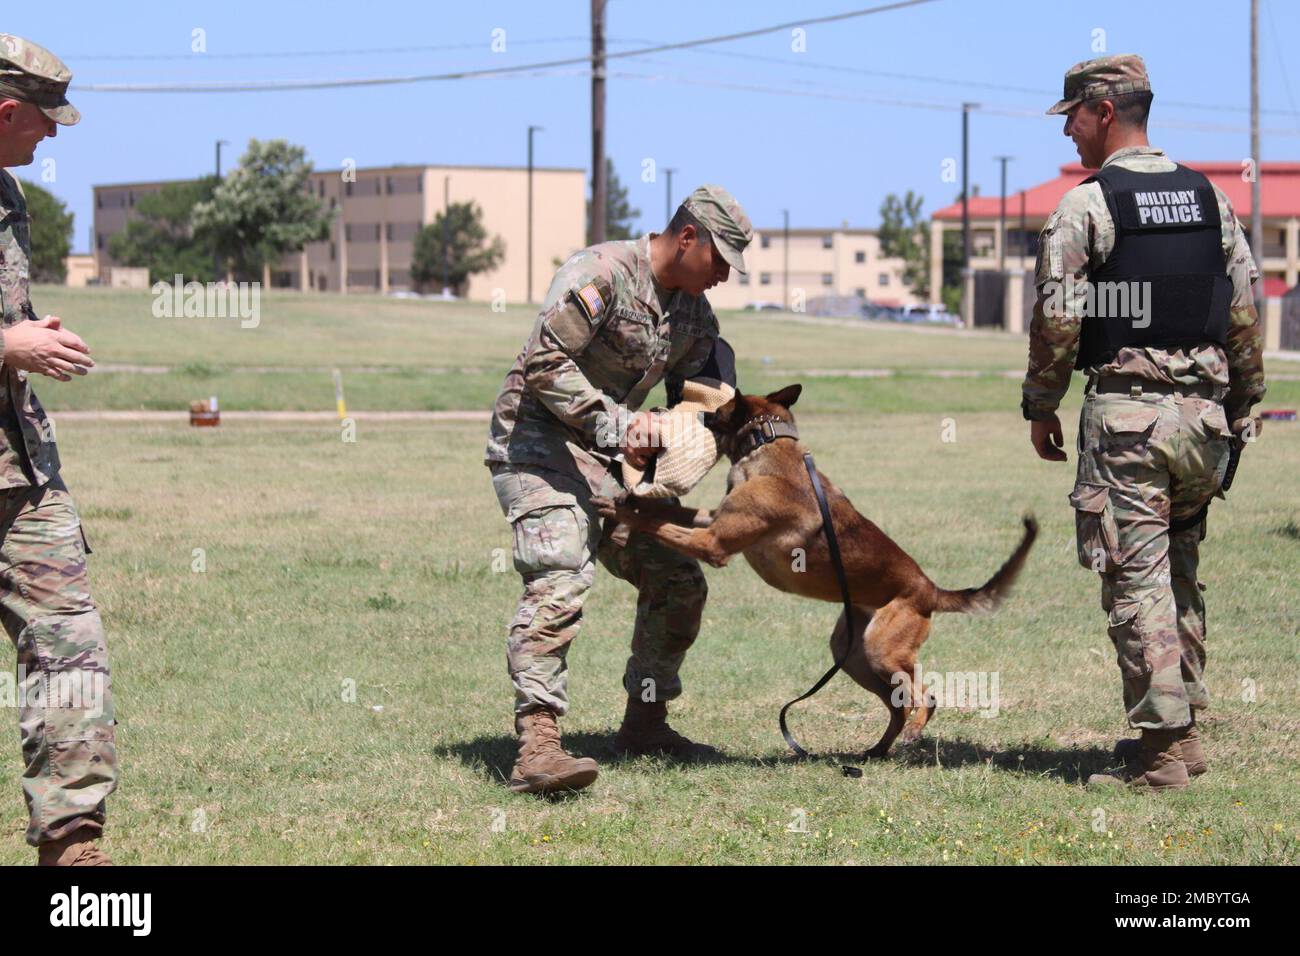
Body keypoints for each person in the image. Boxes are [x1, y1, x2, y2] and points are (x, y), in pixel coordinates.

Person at [1022, 54, 1266, 791]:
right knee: (1179, 574)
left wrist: (1041, 405)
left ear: (1102, 110)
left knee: (1136, 581)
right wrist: (1244, 402)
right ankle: (1184, 735)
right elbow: (1246, 309)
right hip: (1204, 422)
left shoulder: (1087, 206)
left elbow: (1059, 319)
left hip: (1131, 421)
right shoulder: (1208, 199)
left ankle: (1161, 756)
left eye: (1070, 117)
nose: (1066, 133)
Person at [484, 185, 752, 794]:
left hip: (607, 459)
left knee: (678, 579)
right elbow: (544, 362)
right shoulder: (601, 273)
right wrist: (621, 425)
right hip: (536, 444)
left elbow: (710, 377)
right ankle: (538, 747)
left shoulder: (689, 311)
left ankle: (645, 724)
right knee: (561, 573)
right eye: (720, 261)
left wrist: (731, 426)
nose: (725, 277)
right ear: (688, 239)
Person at [0, 33, 116, 862]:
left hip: (19, 470)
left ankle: (72, 851)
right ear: (7, 111)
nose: (51, 138)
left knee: (69, 645)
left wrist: (26, 333)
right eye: (45, 123)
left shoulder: (9, 199)